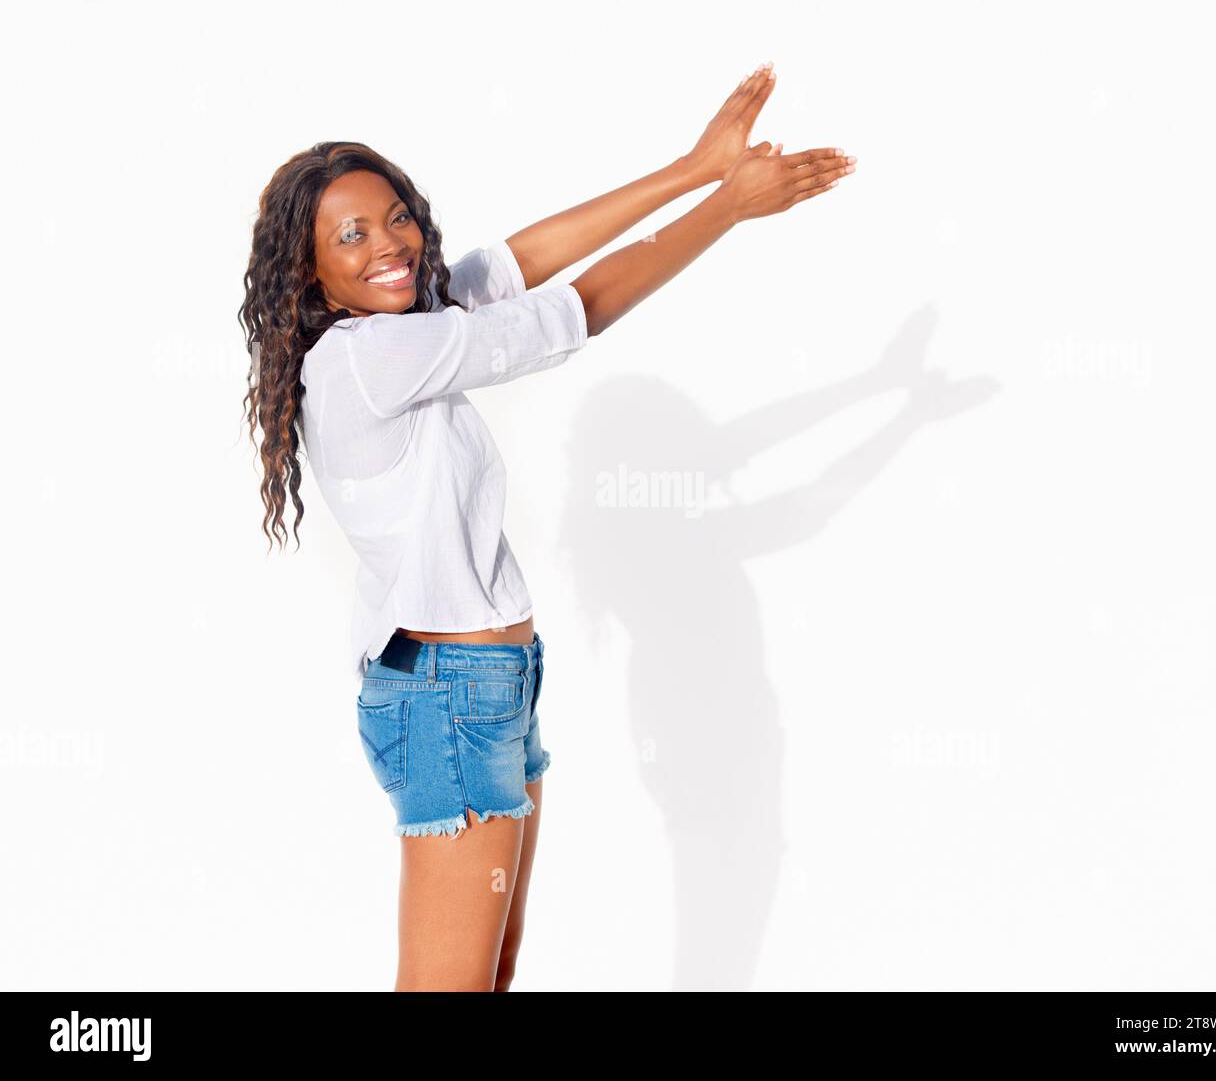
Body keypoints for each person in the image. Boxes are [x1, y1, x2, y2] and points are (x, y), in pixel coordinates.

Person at [238, 61, 855, 991]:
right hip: (447, 699)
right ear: (310, 268)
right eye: (352, 235)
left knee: (489, 973)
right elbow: (572, 310)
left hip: (489, 686)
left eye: (397, 216)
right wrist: (725, 208)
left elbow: (516, 265)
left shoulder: (403, 324)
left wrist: (693, 169)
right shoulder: (370, 355)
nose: (389, 246)